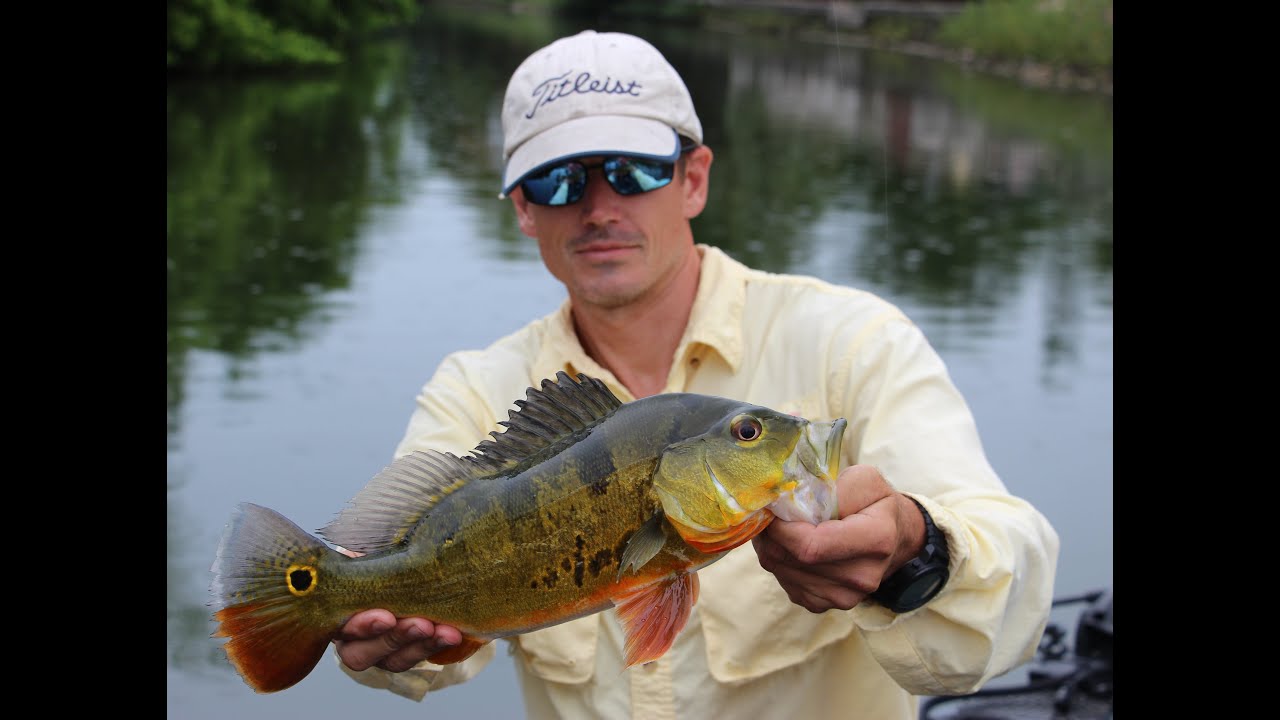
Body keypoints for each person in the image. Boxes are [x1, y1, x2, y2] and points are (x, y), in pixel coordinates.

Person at [331, 29, 1060, 719]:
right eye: (557, 181)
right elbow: (399, 622)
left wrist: (916, 549)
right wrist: (374, 633)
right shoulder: (474, 391)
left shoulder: (852, 342)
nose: (599, 207)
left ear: (694, 180)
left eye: (634, 170)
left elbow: (1011, 592)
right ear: (523, 207)